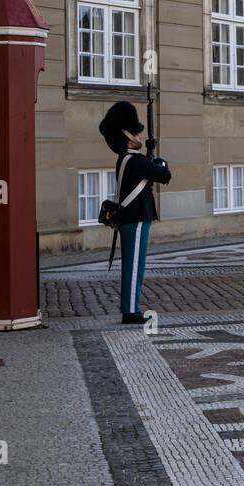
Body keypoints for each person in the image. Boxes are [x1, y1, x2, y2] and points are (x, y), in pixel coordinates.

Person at [98, 101, 171, 324]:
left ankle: (131, 307)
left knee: (134, 264)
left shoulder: (126, 159)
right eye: (136, 133)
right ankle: (130, 310)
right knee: (134, 265)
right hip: (136, 218)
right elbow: (165, 175)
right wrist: (160, 161)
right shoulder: (135, 160)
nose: (139, 135)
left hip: (131, 218)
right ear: (128, 135)